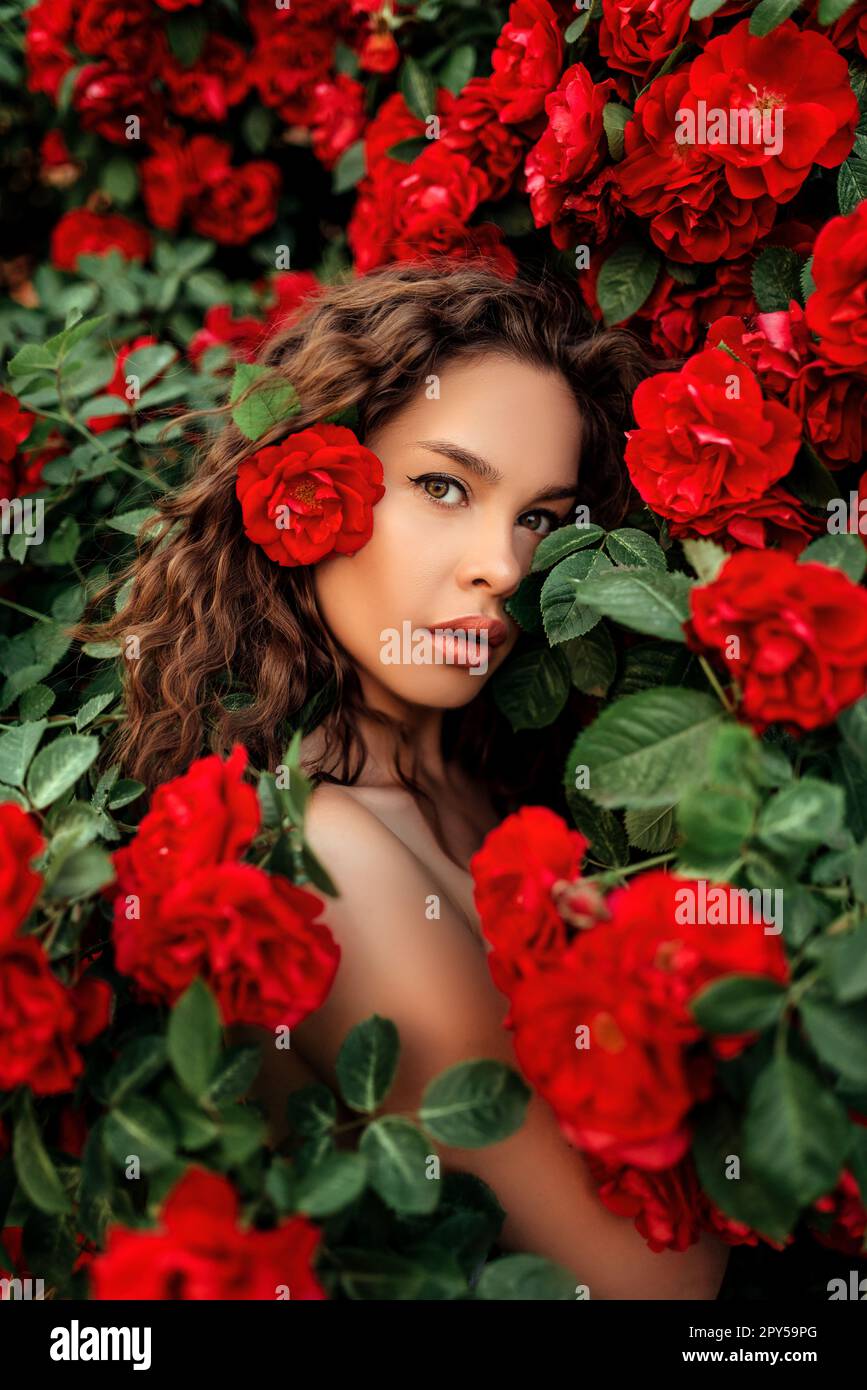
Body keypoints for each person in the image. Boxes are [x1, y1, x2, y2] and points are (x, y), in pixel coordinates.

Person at [75, 263, 729, 1299]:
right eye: (444, 486)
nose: (504, 568)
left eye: (541, 515)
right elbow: (659, 1288)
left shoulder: (489, 775)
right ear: (306, 483)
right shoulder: (336, 858)